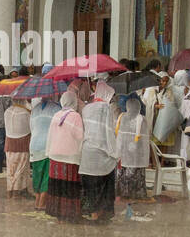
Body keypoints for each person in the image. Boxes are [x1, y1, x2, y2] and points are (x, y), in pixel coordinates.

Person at [79, 80, 120, 222]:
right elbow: (109, 131)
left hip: (86, 152)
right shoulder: (106, 108)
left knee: (90, 184)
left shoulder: (86, 108)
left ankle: (92, 213)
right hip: (101, 152)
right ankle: (100, 215)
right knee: (104, 184)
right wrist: (115, 152)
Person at [45, 91, 85, 221]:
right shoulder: (76, 116)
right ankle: (69, 214)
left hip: (55, 157)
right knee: (70, 186)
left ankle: (58, 215)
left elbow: (50, 135)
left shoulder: (56, 115)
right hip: (70, 158)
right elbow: (80, 138)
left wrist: (49, 152)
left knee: (57, 187)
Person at [115, 96, 151, 201]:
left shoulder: (122, 117)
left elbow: (119, 137)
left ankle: (122, 193)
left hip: (124, 154)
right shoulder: (142, 119)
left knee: (124, 172)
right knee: (135, 172)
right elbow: (146, 138)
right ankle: (136, 193)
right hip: (137, 155)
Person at [29, 96, 60, 210]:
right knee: (47, 177)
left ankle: (37, 202)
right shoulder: (56, 108)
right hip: (48, 146)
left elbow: (32, 128)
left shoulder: (35, 109)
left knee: (37, 176)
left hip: (34, 145)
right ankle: (42, 204)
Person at [4, 90, 33, 197]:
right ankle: (18, 190)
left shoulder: (7, 111)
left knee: (11, 168)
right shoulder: (25, 113)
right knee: (22, 168)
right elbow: (29, 128)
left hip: (9, 143)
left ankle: (10, 190)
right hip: (23, 143)